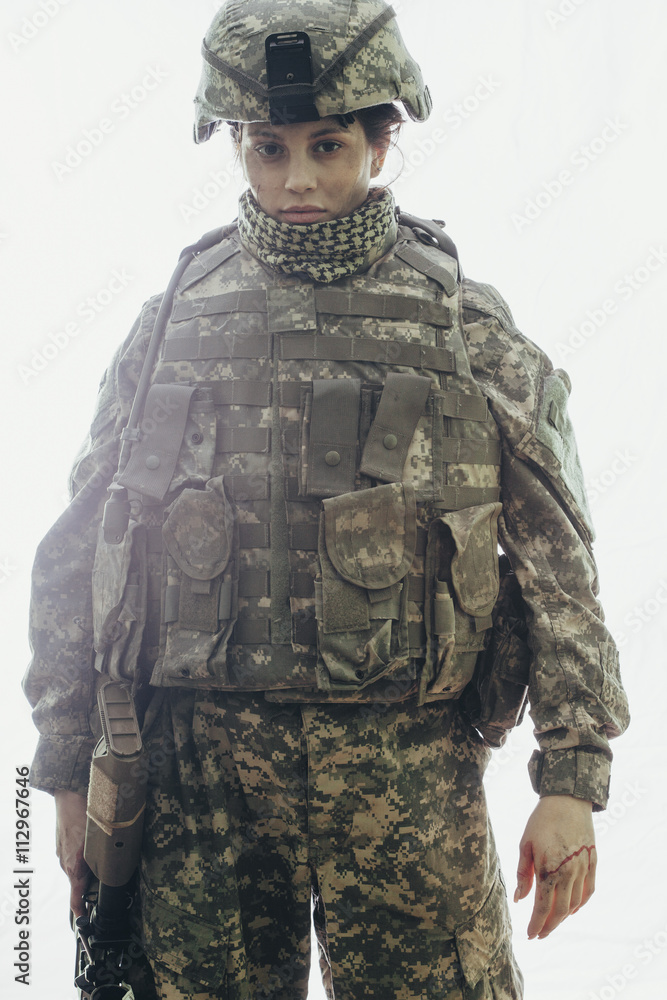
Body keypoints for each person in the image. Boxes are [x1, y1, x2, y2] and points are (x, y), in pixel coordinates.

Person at [23, 1, 630, 998]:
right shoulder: (172, 320)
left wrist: (571, 777)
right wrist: (65, 770)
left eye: (328, 145)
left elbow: (556, 555)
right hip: (200, 785)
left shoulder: (460, 320)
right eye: (267, 148)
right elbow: (83, 547)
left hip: (404, 769)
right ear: (236, 146)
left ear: (381, 142)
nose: (297, 179)